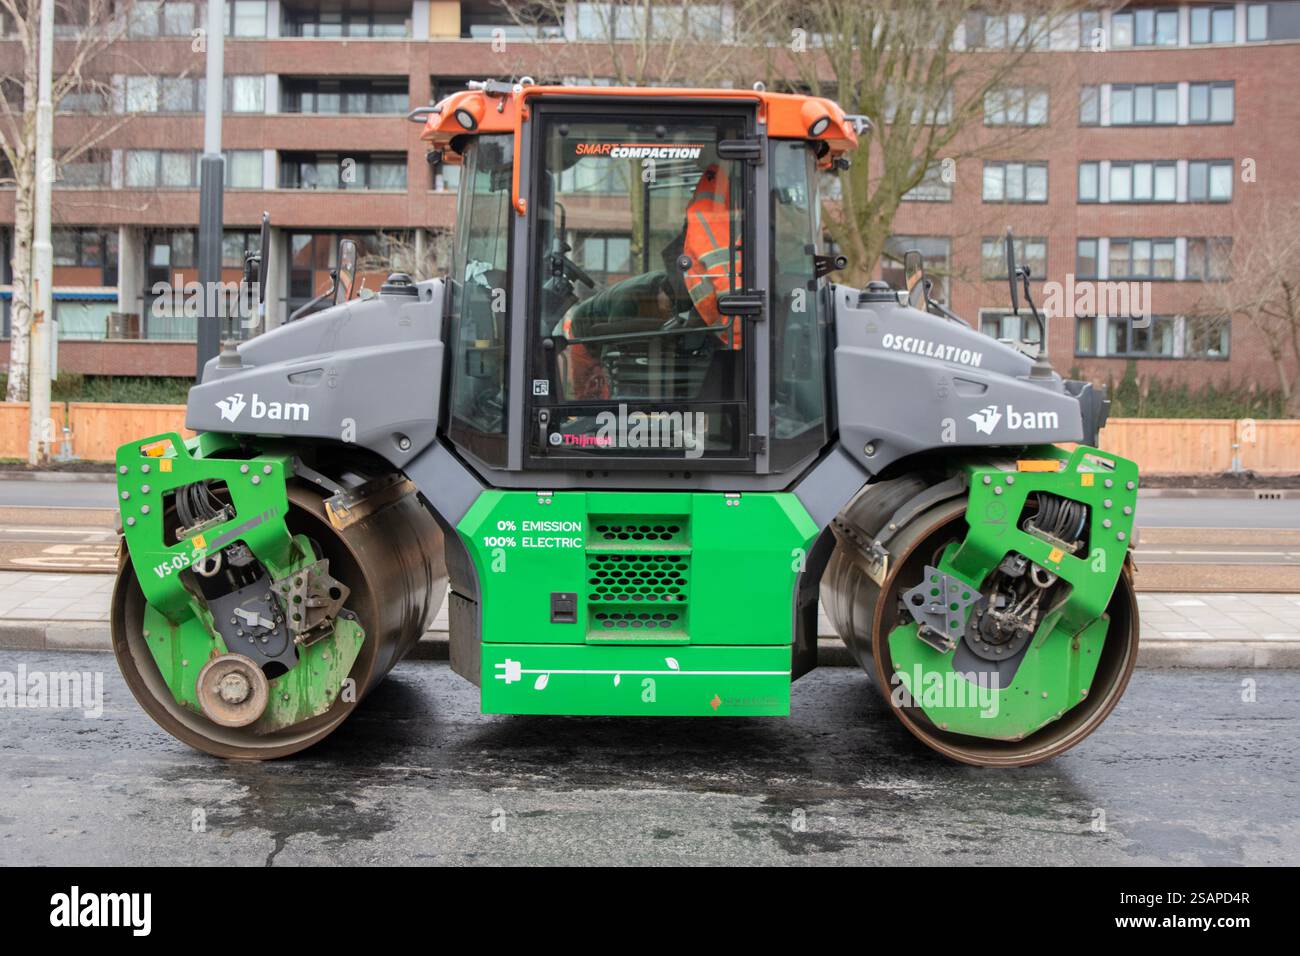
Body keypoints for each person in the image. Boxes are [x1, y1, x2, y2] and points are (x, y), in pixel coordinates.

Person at [556, 163, 741, 400]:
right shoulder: (630, 299)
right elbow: (610, 340)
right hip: (582, 334)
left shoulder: (667, 286)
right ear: (659, 293)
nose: (668, 312)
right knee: (591, 387)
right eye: (668, 307)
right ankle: (592, 417)